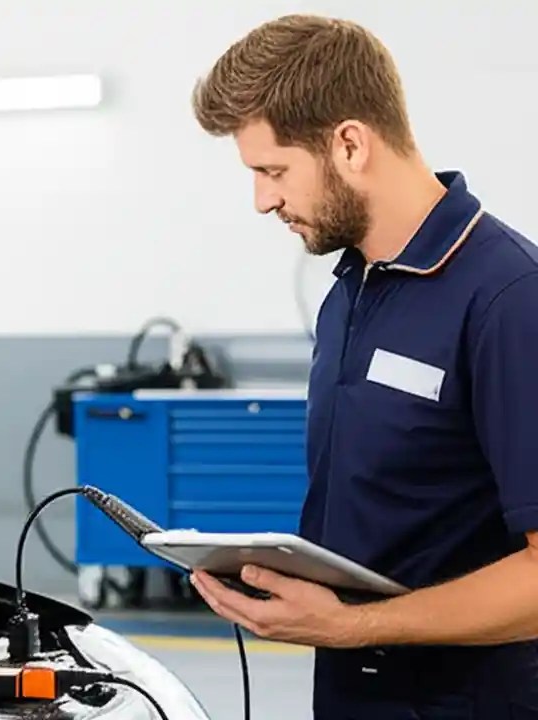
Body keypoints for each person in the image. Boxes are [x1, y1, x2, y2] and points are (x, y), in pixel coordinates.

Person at [186, 13, 538, 719]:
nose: (263, 200)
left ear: (350, 143)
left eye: (273, 171)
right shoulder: (348, 293)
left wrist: (353, 626)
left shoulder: (509, 299)